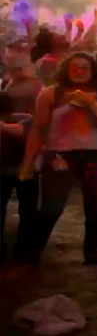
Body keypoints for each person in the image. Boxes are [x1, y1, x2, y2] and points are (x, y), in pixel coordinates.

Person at [19, 52, 97, 265]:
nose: (80, 71)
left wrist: (93, 103)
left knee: (95, 207)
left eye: (85, 67)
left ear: (93, 70)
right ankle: (30, 256)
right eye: (75, 67)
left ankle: (92, 259)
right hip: (60, 155)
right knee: (51, 208)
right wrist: (28, 164)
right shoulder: (50, 94)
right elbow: (39, 130)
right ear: (65, 70)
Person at [0, 91, 35, 263]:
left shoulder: (25, 120)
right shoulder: (26, 118)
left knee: (27, 210)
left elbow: (23, 133)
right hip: (25, 169)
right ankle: (24, 248)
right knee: (28, 210)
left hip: (22, 168)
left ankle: (23, 248)